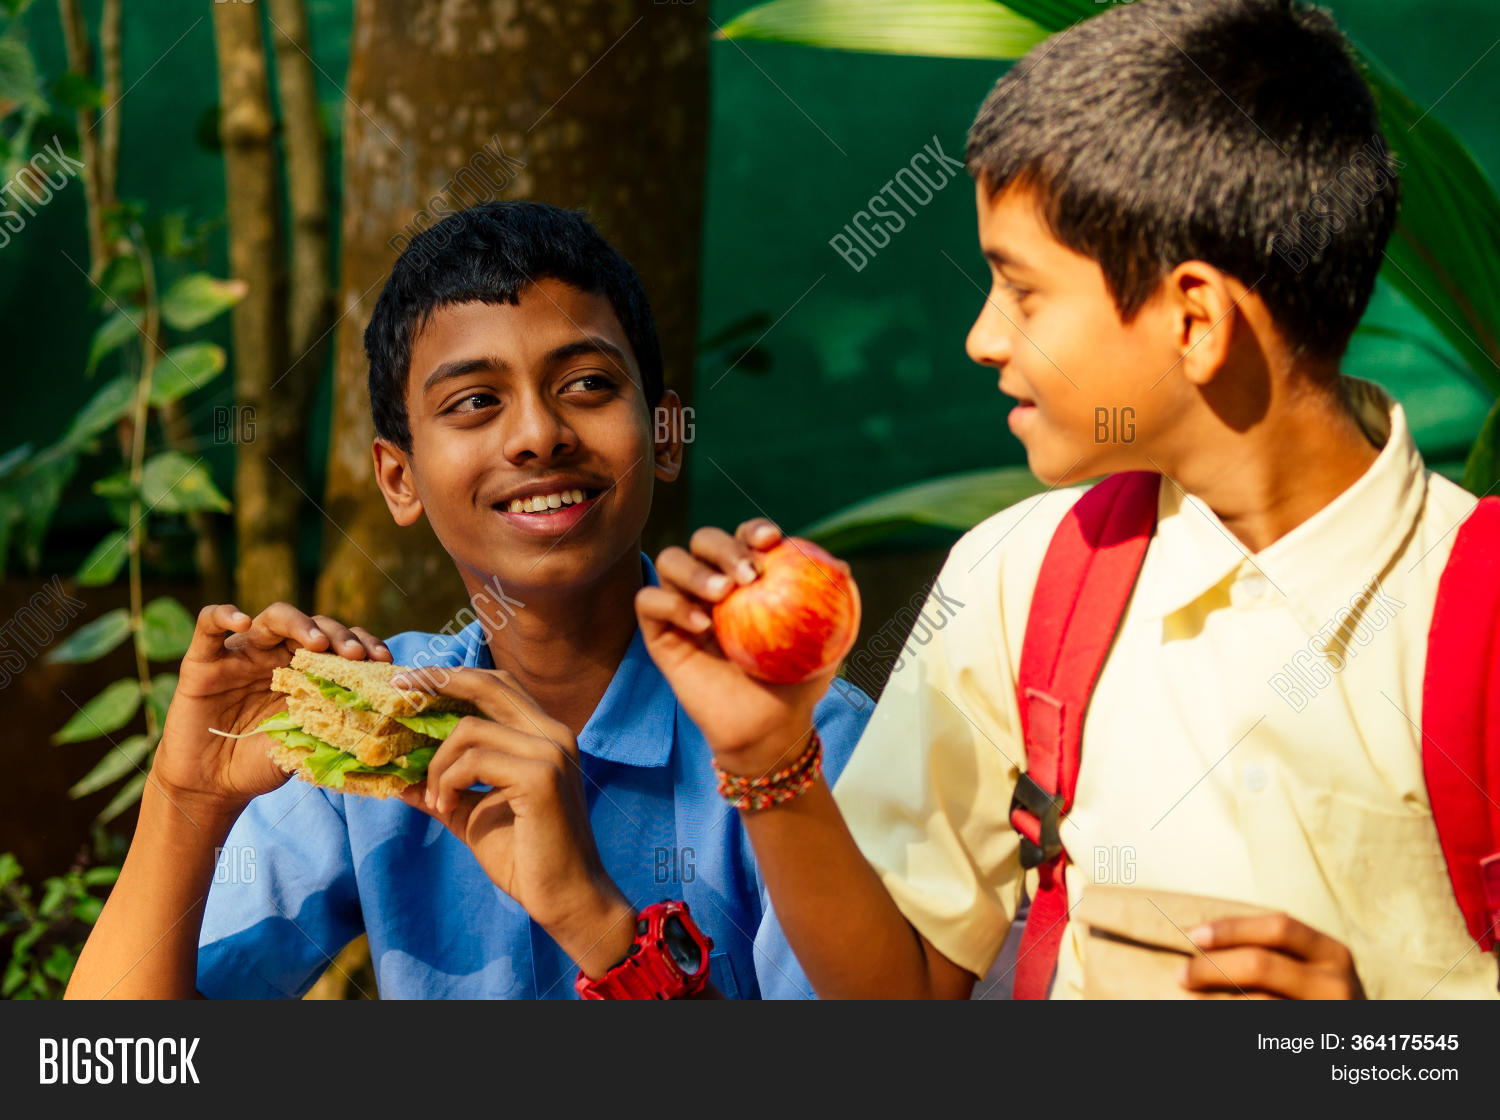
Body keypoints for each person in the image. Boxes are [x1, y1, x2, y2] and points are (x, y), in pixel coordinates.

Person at [635, 0, 1498, 999]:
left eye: (1023, 289)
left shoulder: (1468, 606)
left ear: (1194, 319)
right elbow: (896, 999)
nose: (984, 337)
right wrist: (770, 755)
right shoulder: (1020, 580)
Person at [67, 202, 869, 1000]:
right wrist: (187, 801)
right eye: (475, 402)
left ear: (664, 434)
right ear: (399, 478)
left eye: (587, 384)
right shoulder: (373, 731)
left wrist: (595, 922)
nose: (537, 435)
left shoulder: (793, 738)